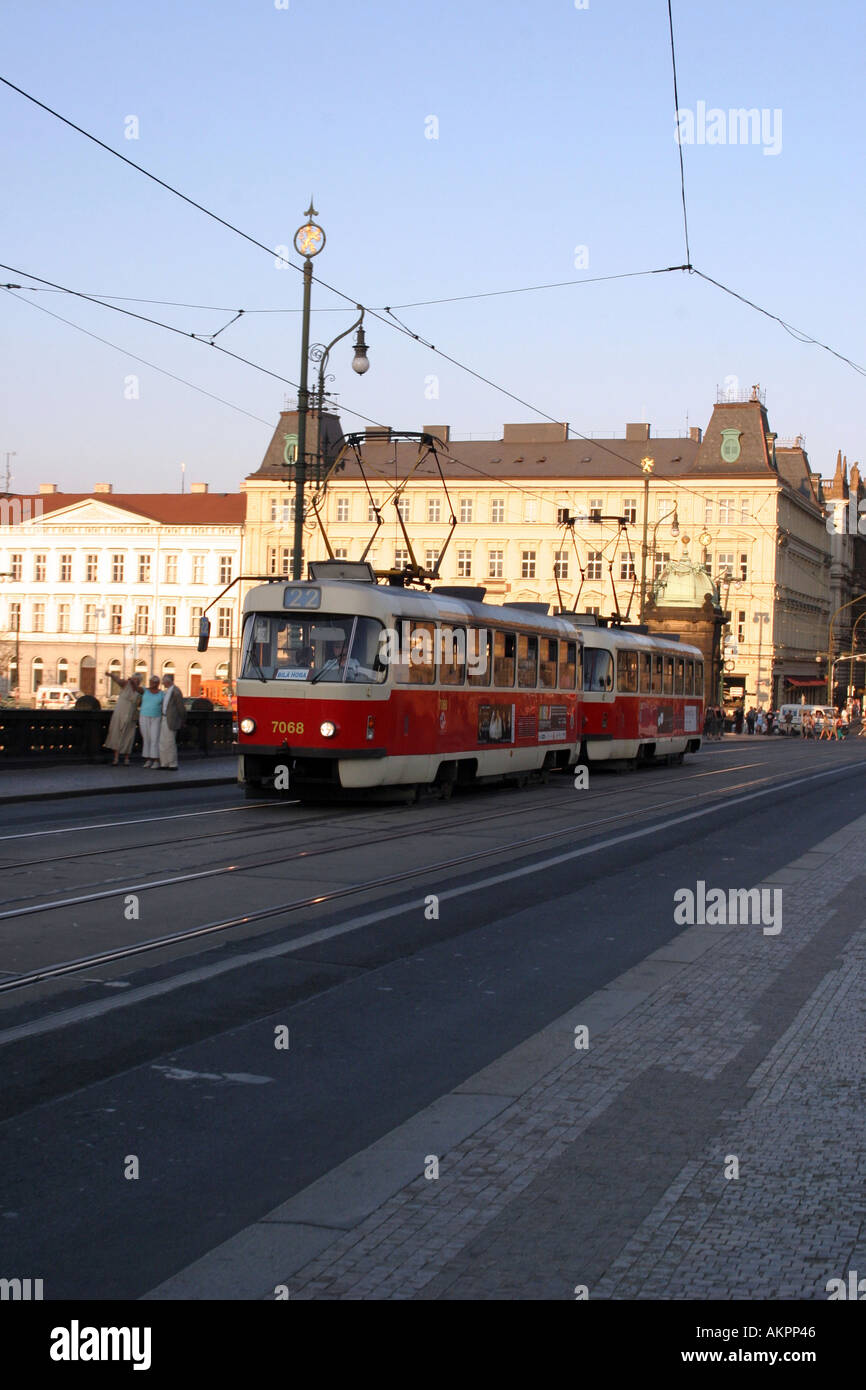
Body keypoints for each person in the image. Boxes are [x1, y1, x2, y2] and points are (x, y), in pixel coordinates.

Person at [103, 673, 141, 765]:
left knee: (128, 737)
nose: (134, 681)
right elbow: (118, 680)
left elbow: (141, 704)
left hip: (131, 716)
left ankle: (126, 759)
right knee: (116, 734)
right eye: (133, 679)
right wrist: (111, 675)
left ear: (139, 681)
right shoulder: (125, 685)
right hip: (120, 713)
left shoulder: (140, 690)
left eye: (136, 680)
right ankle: (116, 758)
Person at [159, 674, 186, 770]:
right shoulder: (167, 691)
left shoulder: (176, 691)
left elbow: (180, 707)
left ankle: (172, 764)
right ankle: (164, 763)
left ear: (169, 681)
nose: (162, 683)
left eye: (164, 681)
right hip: (164, 718)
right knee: (162, 742)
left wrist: (183, 719)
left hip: (171, 719)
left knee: (170, 742)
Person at [139, 676, 164, 767]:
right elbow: (137, 688)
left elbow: (165, 705)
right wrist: (132, 682)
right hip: (144, 716)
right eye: (150, 682)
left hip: (156, 717)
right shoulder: (145, 690)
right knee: (146, 738)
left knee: (155, 738)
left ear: (158, 683)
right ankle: (148, 759)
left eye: (154, 682)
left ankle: (156, 760)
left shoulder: (161, 693)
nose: (151, 684)